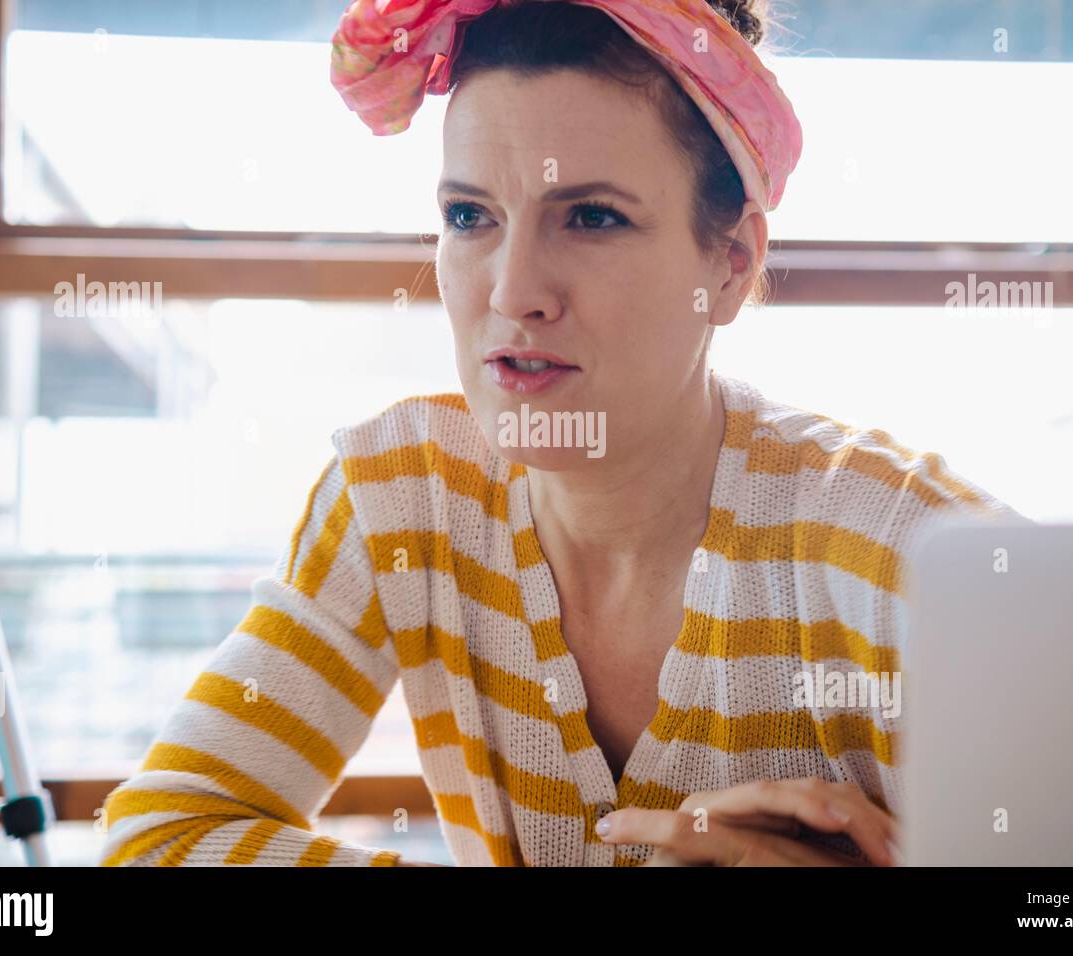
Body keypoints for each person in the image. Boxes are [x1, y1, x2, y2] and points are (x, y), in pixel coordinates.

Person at [99, 0, 1026, 867]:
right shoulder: (403, 495)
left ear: (732, 264)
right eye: (470, 217)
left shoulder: (908, 557)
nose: (512, 292)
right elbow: (159, 833)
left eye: (591, 217)